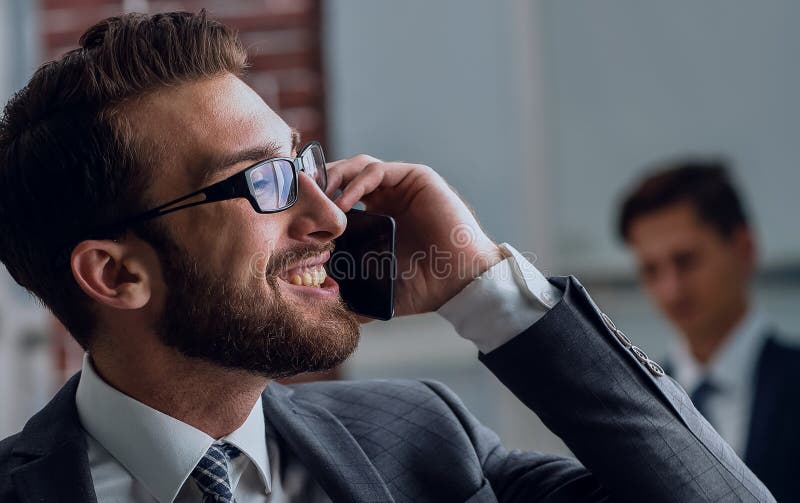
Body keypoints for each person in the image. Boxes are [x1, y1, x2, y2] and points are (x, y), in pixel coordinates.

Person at [0, 12, 772, 502]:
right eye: (264, 182)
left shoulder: (422, 441)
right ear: (117, 273)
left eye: (301, 163)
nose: (330, 215)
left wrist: (482, 285)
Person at [618, 159, 800, 502]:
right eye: (651, 270)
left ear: (744, 249)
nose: (671, 291)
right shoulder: (631, 409)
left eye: (686, 261)